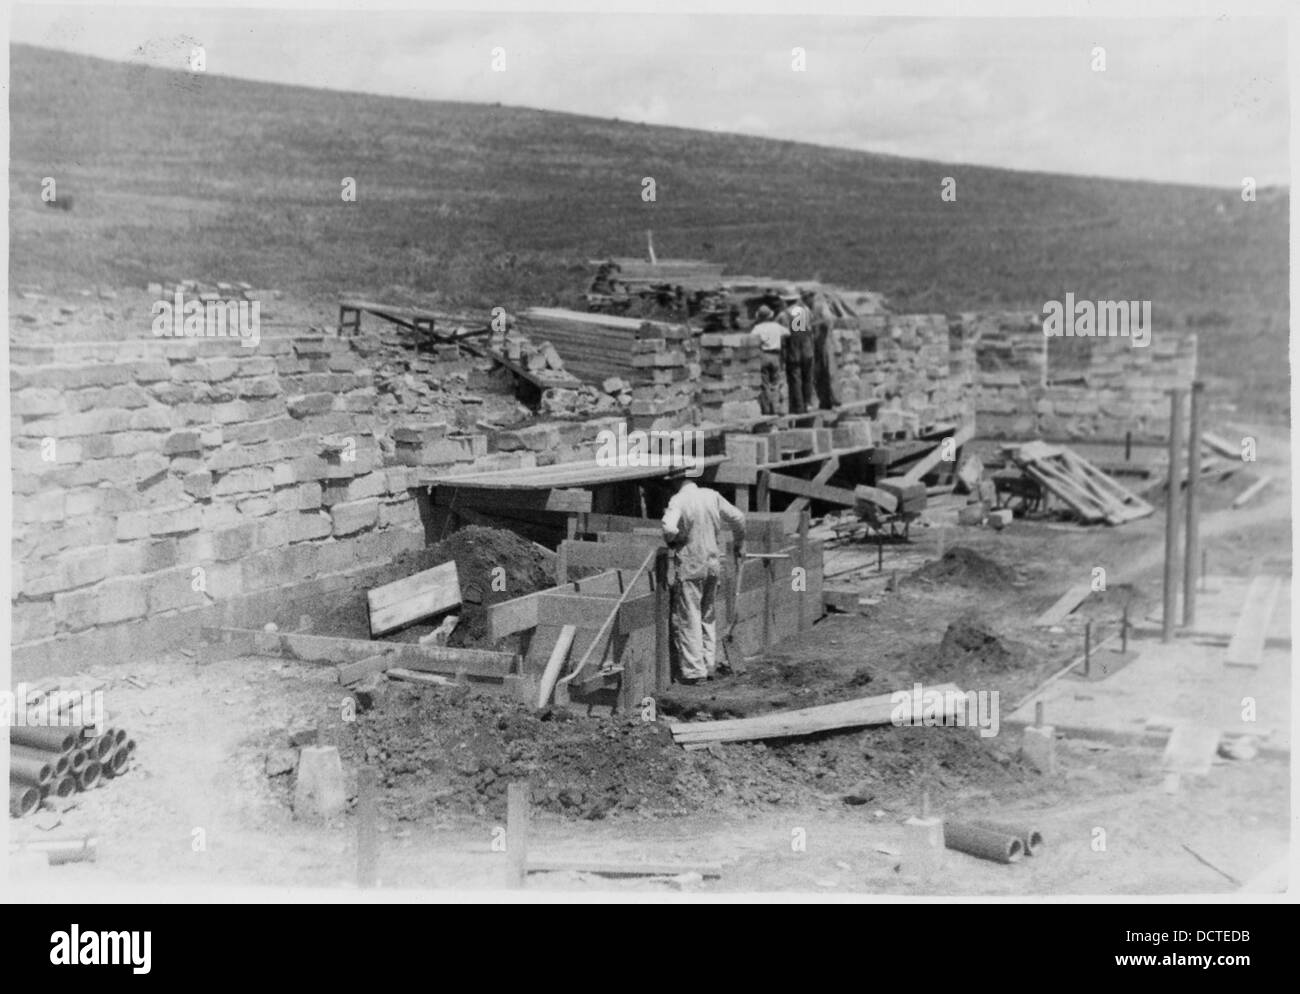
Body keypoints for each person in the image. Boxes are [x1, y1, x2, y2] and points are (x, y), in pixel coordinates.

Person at [661, 475, 746, 685]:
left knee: (689, 615)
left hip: (691, 564)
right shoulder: (712, 496)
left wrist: (676, 539)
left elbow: (669, 528)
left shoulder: (678, 500)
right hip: (712, 562)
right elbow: (739, 518)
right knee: (707, 614)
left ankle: (694, 672)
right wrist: (739, 542)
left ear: (675, 482)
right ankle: (709, 665)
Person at [778, 292, 816, 415]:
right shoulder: (806, 311)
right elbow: (810, 327)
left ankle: (799, 407)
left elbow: (783, 334)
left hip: (793, 349)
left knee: (795, 378)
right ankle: (808, 403)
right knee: (808, 377)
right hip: (807, 347)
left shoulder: (784, 315)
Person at [804, 289, 840, 411]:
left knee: (829, 371)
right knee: (818, 374)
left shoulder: (819, 306)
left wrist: (812, 325)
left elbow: (828, 320)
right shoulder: (808, 309)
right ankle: (824, 401)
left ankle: (835, 400)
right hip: (816, 344)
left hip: (825, 342)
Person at [750, 304, 787, 415]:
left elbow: (750, 338)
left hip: (764, 355)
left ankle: (767, 410)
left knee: (765, 384)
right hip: (776, 355)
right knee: (775, 383)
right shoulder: (776, 326)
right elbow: (788, 333)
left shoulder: (757, 328)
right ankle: (776, 407)